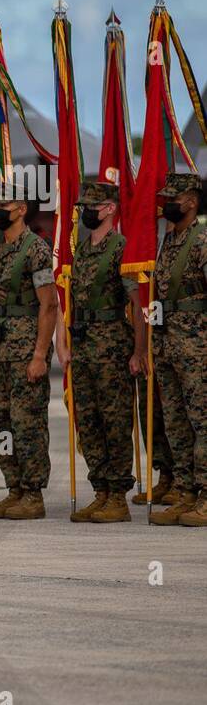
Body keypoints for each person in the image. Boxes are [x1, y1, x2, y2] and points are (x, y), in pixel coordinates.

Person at [56, 180, 144, 523]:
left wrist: (138, 351)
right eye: (83, 207)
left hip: (111, 345)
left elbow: (136, 306)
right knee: (89, 421)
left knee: (115, 420)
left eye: (91, 206)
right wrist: (65, 343)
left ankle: (118, 497)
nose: (85, 213)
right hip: (83, 346)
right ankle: (101, 491)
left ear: (109, 208)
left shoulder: (121, 247)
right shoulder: (83, 251)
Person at [0, 196, 59, 519]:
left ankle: (33, 493)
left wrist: (40, 354)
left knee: (28, 424)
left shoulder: (35, 249)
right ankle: (14, 487)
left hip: (25, 351)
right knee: (3, 424)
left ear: (22, 209)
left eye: (5, 204)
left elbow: (48, 305)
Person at [148, 173, 207, 526]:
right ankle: (185, 490)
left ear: (192, 202)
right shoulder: (168, 241)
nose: (168, 204)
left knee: (203, 422)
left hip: (197, 345)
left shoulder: (201, 240)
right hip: (169, 344)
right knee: (176, 422)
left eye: (175, 198)